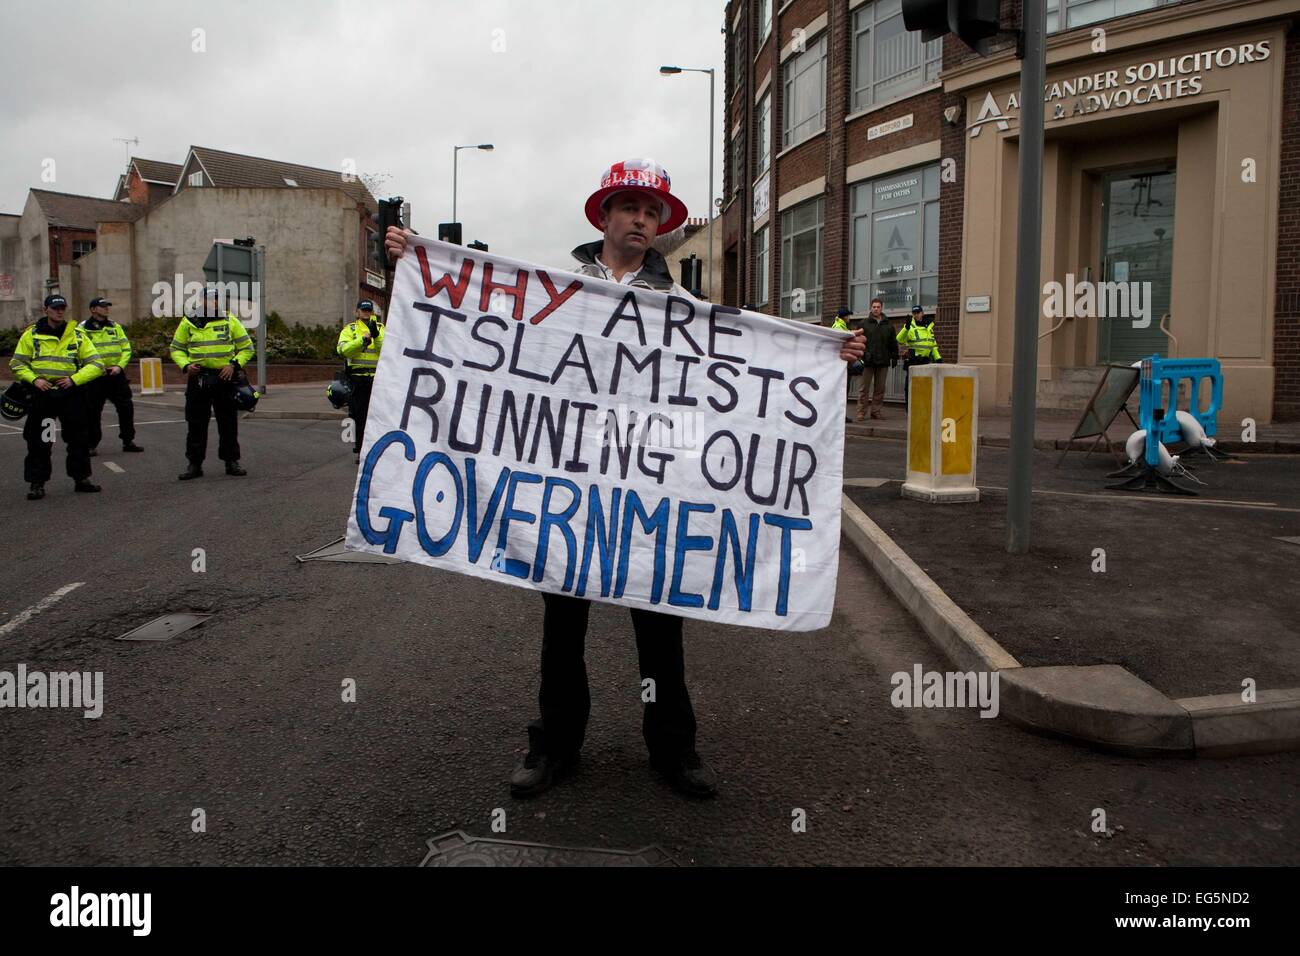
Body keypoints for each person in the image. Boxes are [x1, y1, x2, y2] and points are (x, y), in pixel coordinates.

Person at [385, 158, 866, 800]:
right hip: (569, 485)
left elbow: (737, 359)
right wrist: (417, 262)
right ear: (605, 217)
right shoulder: (560, 288)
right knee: (563, 629)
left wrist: (826, 353)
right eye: (631, 209)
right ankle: (554, 746)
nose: (642, 220)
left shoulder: (680, 305)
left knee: (660, 629)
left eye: (652, 213)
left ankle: (674, 750)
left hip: (648, 489)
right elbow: (490, 320)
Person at [9, 294, 104, 500]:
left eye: (62, 308)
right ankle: (37, 483)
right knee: (42, 440)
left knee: (78, 439)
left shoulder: (78, 335)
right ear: (46, 310)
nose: (59, 311)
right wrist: (35, 380)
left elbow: (97, 364)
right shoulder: (31, 335)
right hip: (44, 396)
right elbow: (17, 364)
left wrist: (75, 379)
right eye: (55, 308)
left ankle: (81, 479)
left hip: (70, 395)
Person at [170, 288, 254, 480]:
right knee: (196, 423)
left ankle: (231, 461)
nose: (214, 302)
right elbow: (176, 349)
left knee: (228, 422)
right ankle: (194, 464)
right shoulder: (189, 322)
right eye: (210, 299)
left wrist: (233, 365)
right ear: (202, 300)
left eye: (217, 299)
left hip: (224, 379)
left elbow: (246, 348)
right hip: (198, 379)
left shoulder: (229, 320)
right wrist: (186, 366)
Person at [80, 297, 143, 455]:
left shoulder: (115, 327)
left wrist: (119, 366)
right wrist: (94, 368)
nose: (106, 308)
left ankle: (128, 441)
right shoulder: (83, 329)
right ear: (93, 309)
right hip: (94, 377)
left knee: (126, 408)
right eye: (103, 306)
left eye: (107, 306)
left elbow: (126, 349)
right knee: (93, 412)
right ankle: (91, 444)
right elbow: (78, 352)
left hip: (115, 375)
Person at [336, 299, 385, 463]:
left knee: (379, 416)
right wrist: (362, 340)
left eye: (368, 310)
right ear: (357, 312)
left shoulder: (380, 328)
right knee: (360, 416)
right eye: (363, 310)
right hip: (357, 380)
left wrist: (376, 337)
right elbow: (343, 350)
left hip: (377, 379)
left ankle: (378, 450)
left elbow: (386, 351)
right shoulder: (349, 329)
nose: (365, 312)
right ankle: (361, 451)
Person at [856, 298, 899, 421]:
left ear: (882, 308)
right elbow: (858, 341)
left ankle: (876, 411)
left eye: (878, 307)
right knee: (864, 389)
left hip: (883, 361)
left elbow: (893, 343)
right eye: (874, 307)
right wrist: (862, 355)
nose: (876, 309)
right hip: (867, 361)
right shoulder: (863, 324)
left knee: (880, 389)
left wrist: (894, 356)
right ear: (870, 308)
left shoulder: (888, 325)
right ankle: (861, 412)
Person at [897, 305, 941, 407]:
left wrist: (938, 358)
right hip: (913, 360)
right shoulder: (910, 326)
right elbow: (899, 340)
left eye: (918, 312)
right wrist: (906, 329)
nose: (916, 315)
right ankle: (910, 407)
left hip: (925, 362)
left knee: (924, 386)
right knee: (911, 387)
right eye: (914, 313)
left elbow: (933, 344)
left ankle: (922, 406)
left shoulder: (929, 328)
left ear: (922, 313)